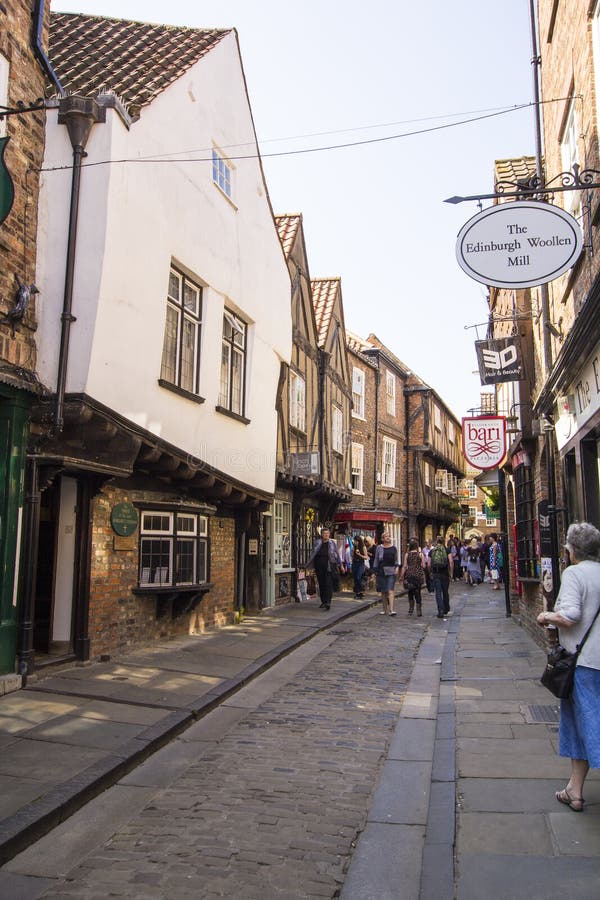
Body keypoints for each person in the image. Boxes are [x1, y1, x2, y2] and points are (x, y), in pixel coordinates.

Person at [536, 522, 600, 813]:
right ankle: (574, 789)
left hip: (584, 663)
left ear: (572, 550)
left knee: (586, 724)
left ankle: (575, 790)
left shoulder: (574, 573)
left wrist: (546, 615)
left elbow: (572, 614)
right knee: (579, 724)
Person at [306, 527, 341, 611]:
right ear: (321, 535)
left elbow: (337, 553)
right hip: (319, 566)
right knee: (321, 584)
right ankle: (323, 601)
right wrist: (310, 566)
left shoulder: (332, 543)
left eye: (327, 533)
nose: (326, 535)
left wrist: (340, 564)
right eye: (324, 533)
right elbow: (313, 553)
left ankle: (328, 602)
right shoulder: (317, 542)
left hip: (329, 566)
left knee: (328, 584)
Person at [373, 531, 399, 616]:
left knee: (390, 590)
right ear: (382, 539)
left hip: (391, 571)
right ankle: (384, 609)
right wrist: (374, 571)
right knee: (383, 591)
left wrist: (397, 567)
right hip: (381, 571)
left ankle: (391, 610)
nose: (388, 538)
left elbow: (396, 560)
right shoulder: (379, 548)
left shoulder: (393, 548)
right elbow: (376, 559)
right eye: (386, 537)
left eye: (389, 536)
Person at [429, 535, 453, 617]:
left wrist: (430, 572)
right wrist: (451, 573)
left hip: (436, 573)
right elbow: (451, 561)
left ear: (436, 542)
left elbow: (428, 564)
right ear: (443, 542)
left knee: (438, 592)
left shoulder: (432, 551)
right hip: (445, 573)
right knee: (445, 592)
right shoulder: (447, 550)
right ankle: (446, 608)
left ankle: (440, 610)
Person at [401, 538, 425, 616]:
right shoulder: (420, 554)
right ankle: (419, 610)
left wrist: (401, 576)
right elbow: (423, 565)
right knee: (418, 592)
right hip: (418, 575)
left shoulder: (407, 554)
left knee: (410, 592)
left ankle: (411, 609)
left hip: (409, 575)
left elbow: (404, 566)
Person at [351, 533, 368, 598]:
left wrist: (360, 555)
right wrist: (352, 553)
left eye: (356, 541)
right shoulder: (354, 547)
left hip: (360, 563)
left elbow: (366, 557)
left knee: (358, 577)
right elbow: (352, 556)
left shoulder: (363, 547)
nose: (355, 542)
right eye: (354, 541)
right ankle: (358, 593)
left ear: (359, 541)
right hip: (354, 563)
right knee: (355, 578)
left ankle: (361, 591)